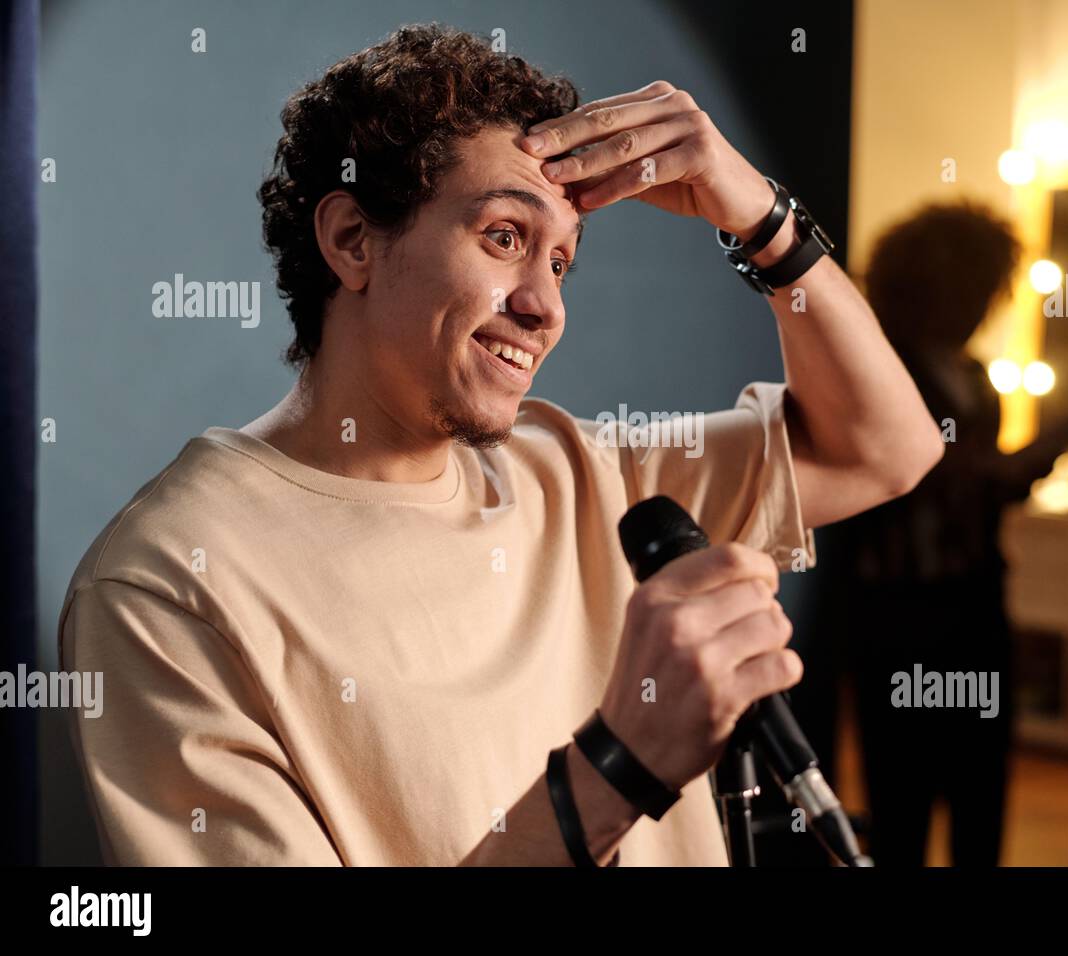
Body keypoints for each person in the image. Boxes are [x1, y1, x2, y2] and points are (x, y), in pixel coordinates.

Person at [58, 23, 942, 866]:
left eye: (560, 261)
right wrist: (619, 767)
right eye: (505, 238)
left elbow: (884, 448)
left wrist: (762, 220)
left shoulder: (588, 473)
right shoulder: (167, 583)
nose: (545, 305)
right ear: (352, 239)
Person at [823, 202, 1068, 866]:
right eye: (973, 288)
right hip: (897, 613)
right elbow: (937, 475)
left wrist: (1038, 456)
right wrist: (1062, 432)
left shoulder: (975, 378)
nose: (980, 307)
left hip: (974, 608)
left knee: (980, 790)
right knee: (901, 799)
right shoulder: (884, 367)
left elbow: (988, 490)